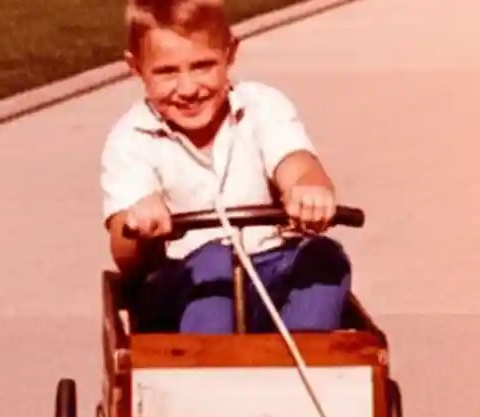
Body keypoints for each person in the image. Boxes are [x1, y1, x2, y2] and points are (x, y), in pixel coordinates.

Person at [100, 0, 352, 334]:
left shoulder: (261, 107)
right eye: (166, 72)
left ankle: (310, 360)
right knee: (215, 261)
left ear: (230, 54)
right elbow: (123, 248)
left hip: (269, 267)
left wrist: (307, 186)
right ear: (136, 67)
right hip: (182, 287)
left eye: (203, 66)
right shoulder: (131, 139)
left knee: (324, 258)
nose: (188, 89)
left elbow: (296, 162)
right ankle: (209, 374)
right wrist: (136, 224)